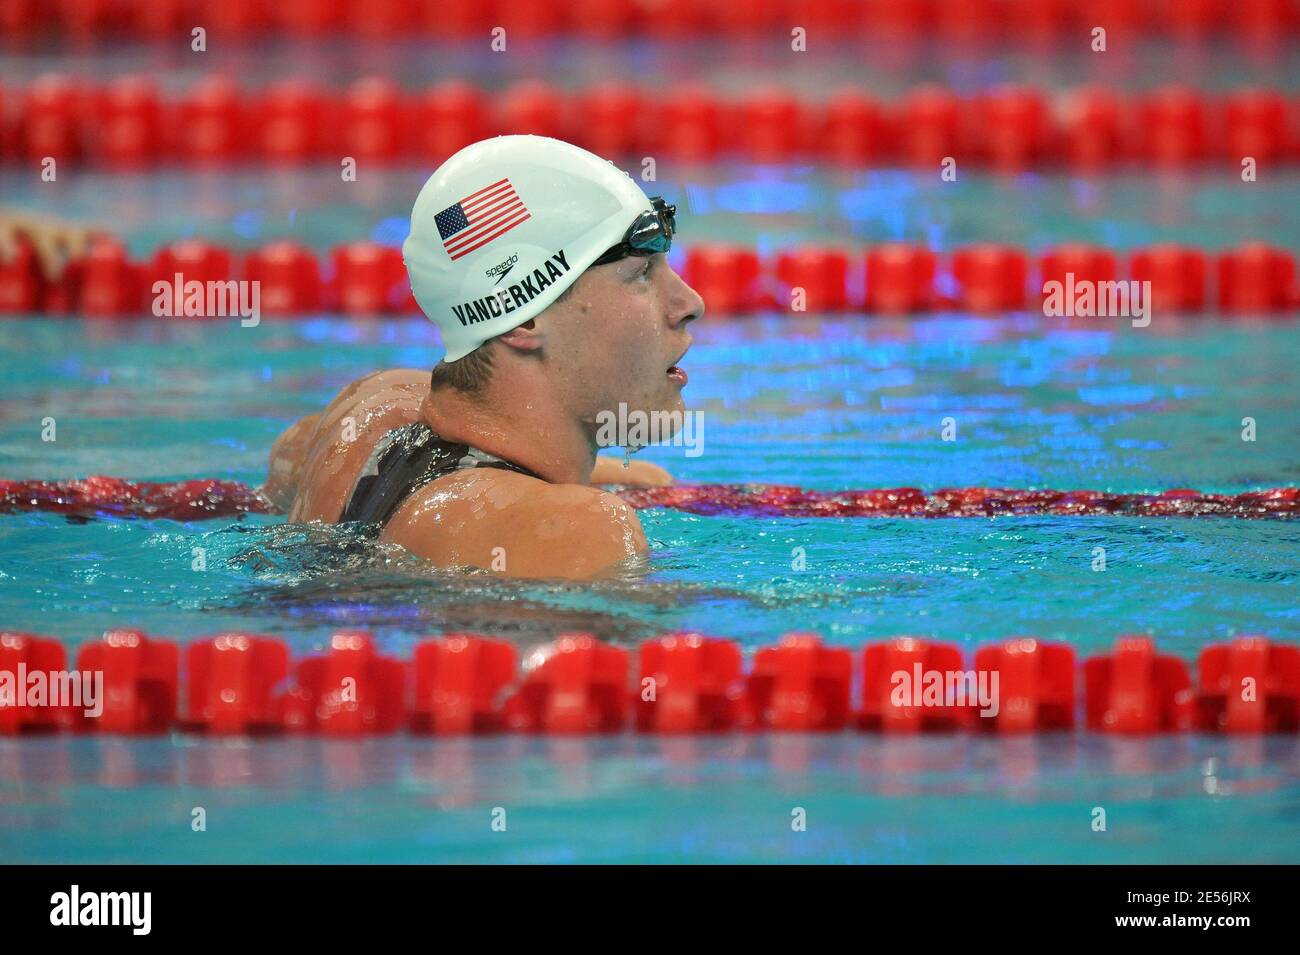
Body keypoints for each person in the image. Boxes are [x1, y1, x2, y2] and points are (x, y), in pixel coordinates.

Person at [264, 135, 705, 580]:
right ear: (525, 320)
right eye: (641, 274)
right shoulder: (578, 531)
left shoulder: (365, 413)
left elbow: (287, 461)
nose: (689, 303)